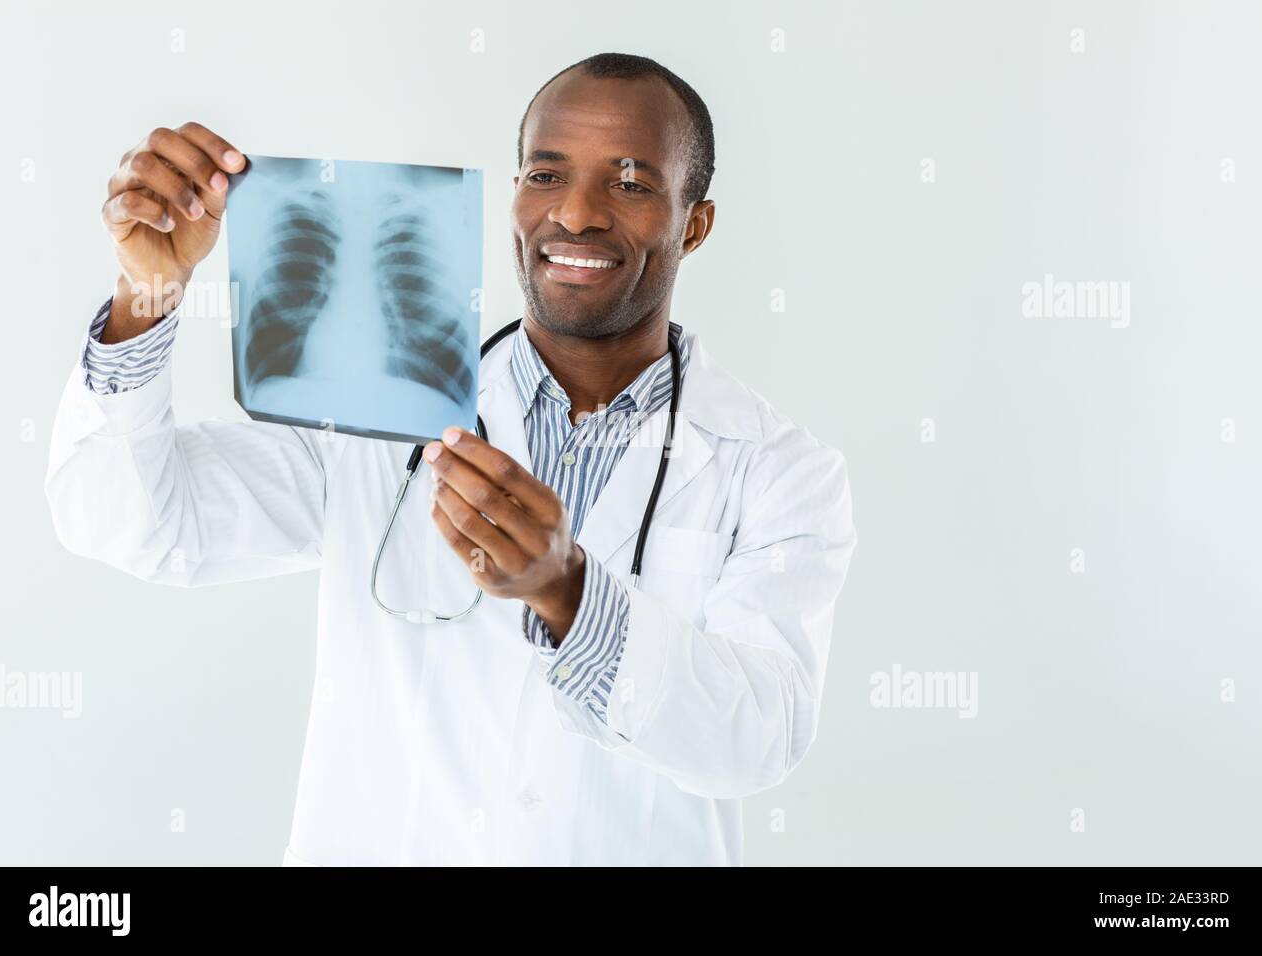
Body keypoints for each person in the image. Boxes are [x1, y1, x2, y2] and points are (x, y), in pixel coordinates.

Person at [45, 52, 856, 865]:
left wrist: (568, 592)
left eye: (632, 183)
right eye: (546, 174)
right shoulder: (379, 414)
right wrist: (144, 297)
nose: (575, 214)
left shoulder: (781, 472)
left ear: (695, 223)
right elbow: (136, 523)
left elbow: (759, 736)